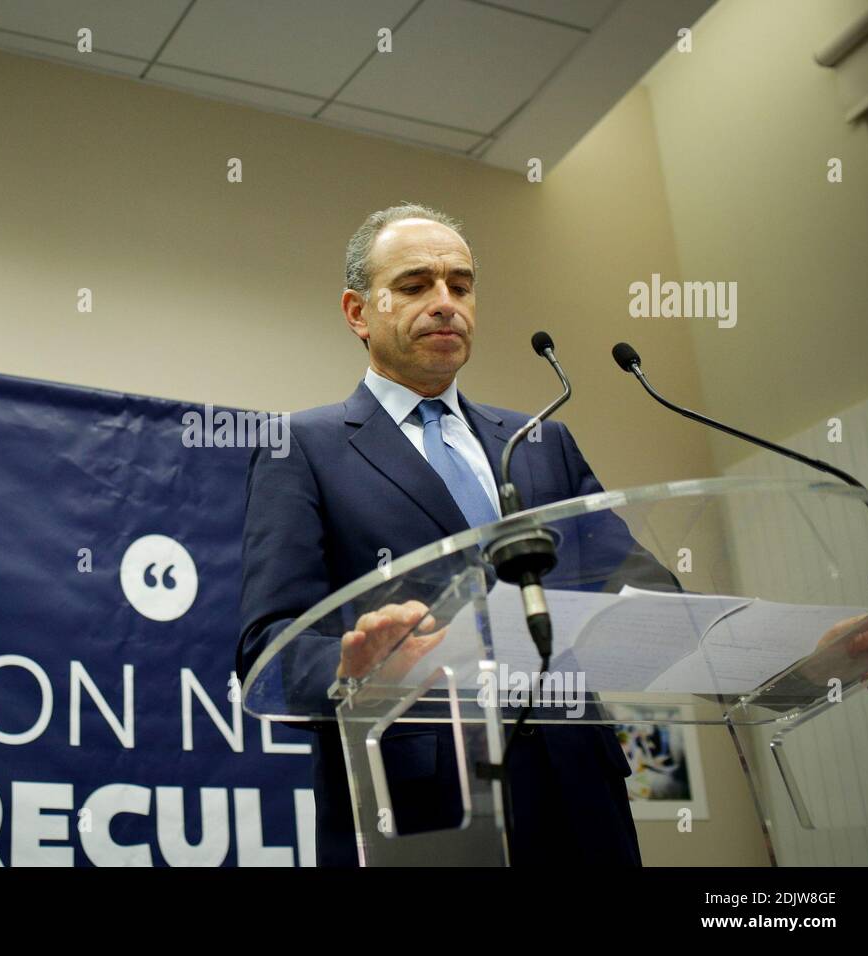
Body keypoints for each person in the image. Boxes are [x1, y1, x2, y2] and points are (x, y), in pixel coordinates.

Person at [238, 202, 662, 867]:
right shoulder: (301, 449)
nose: (445, 302)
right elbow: (269, 647)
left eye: (460, 285)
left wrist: (802, 659)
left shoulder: (540, 442)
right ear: (358, 312)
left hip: (579, 791)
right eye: (414, 286)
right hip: (422, 805)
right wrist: (352, 667)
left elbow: (644, 591)